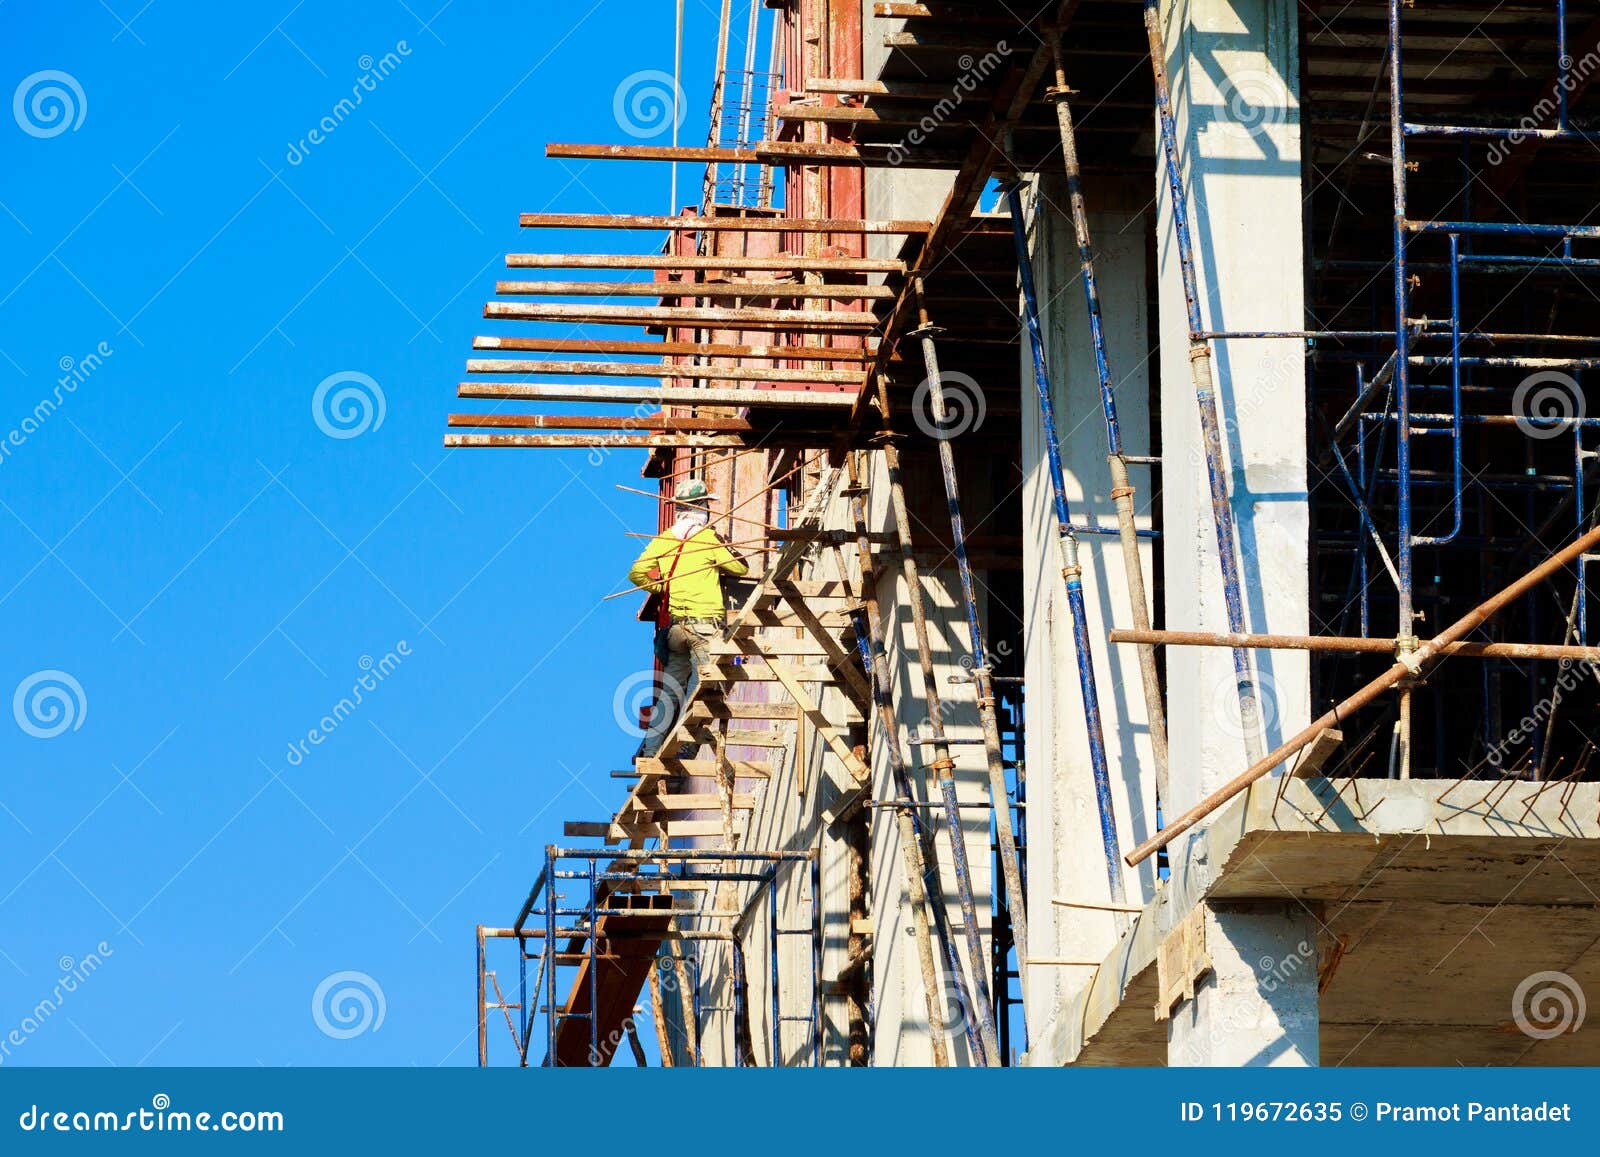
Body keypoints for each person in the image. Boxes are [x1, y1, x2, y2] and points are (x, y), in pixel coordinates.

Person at [627, 478, 749, 757]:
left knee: (669, 693)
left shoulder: (664, 540)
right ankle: (685, 743)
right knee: (702, 688)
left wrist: (660, 587)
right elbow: (741, 568)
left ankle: (650, 748)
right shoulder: (707, 539)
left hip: (675, 631)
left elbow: (635, 573)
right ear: (701, 506)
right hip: (705, 628)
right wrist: (725, 544)